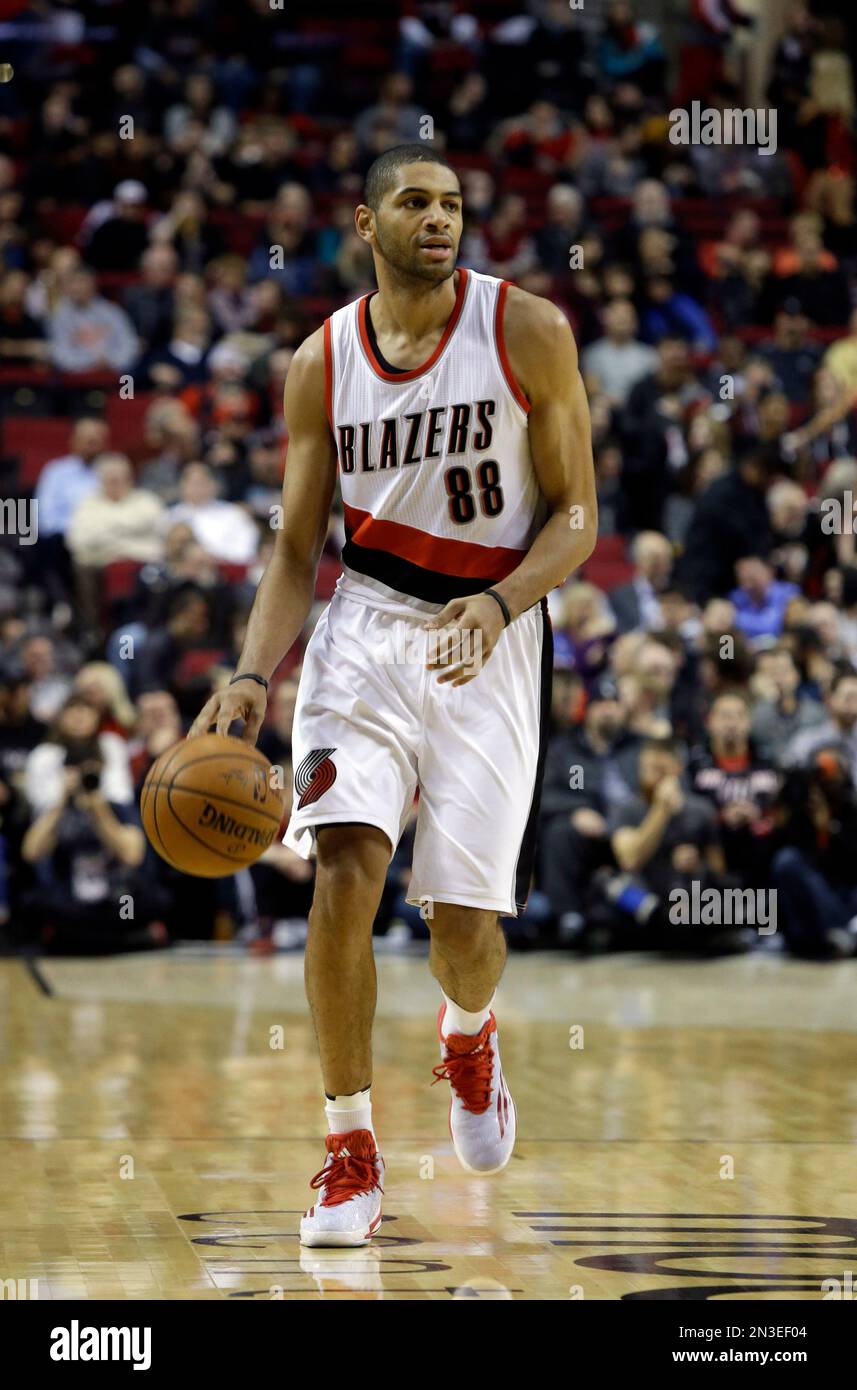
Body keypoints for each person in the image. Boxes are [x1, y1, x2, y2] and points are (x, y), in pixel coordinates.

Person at [188, 144, 596, 1246]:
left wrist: (502, 602)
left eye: (453, 203)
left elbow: (575, 519)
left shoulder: (527, 331)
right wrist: (245, 675)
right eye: (413, 202)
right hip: (363, 630)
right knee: (343, 870)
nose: (439, 218)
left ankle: (468, 1035)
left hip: (488, 639)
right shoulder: (321, 360)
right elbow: (292, 552)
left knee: (462, 926)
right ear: (364, 223)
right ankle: (347, 1148)